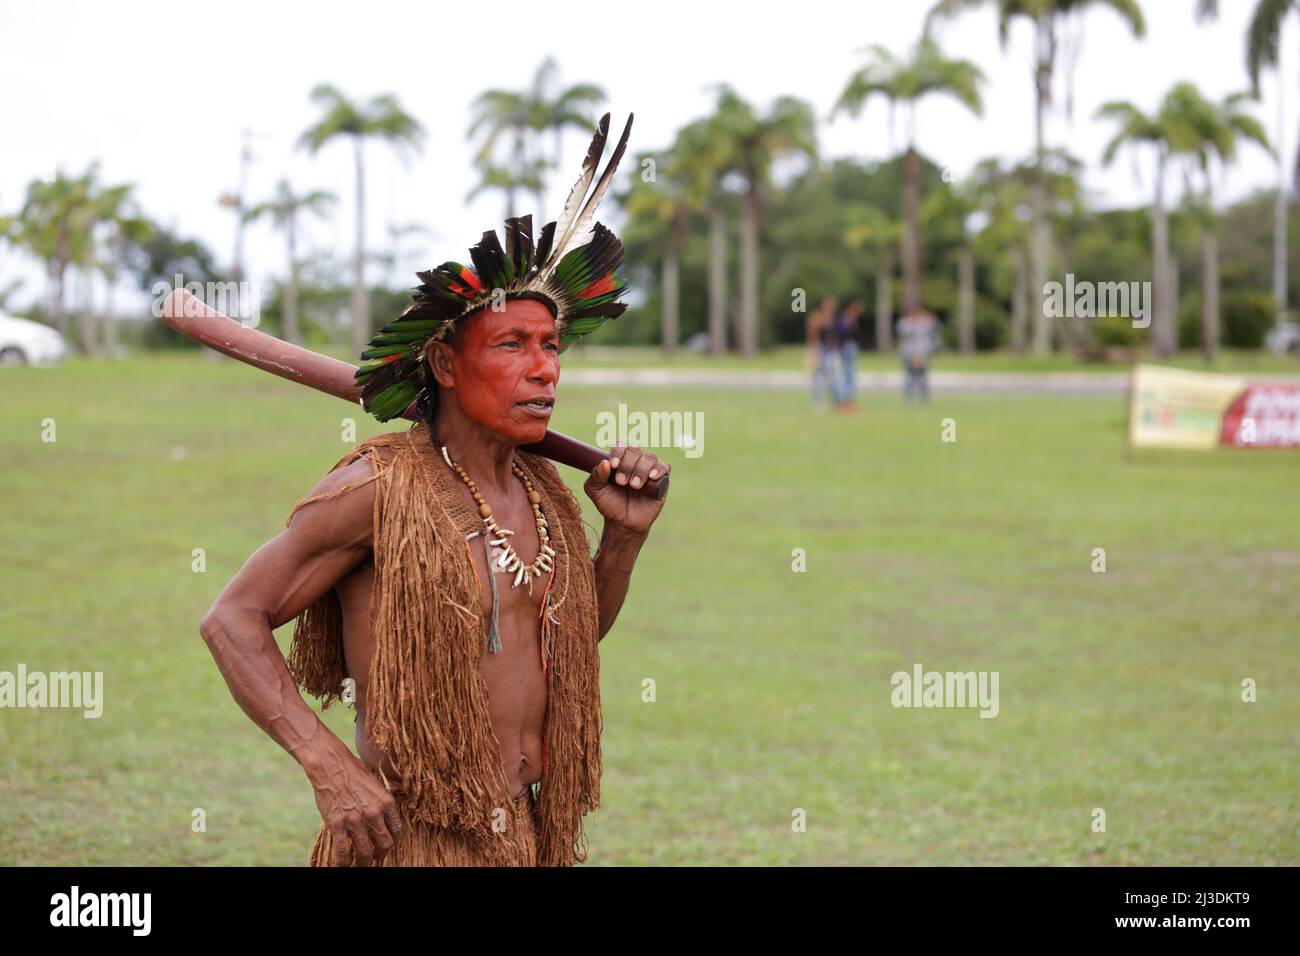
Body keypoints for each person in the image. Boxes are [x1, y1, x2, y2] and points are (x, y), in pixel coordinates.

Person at [198, 114, 671, 867]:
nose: (545, 368)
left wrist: (623, 537)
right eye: (512, 345)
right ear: (447, 367)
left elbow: (566, 639)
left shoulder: (544, 491)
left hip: (528, 832)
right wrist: (330, 770)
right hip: (411, 842)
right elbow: (232, 619)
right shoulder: (378, 491)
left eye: (550, 346)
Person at [895, 305, 942, 404]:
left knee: (923, 378)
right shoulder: (905, 323)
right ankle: (909, 400)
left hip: (923, 354)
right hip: (909, 354)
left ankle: (925, 400)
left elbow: (935, 332)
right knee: (910, 378)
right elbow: (904, 334)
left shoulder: (926, 322)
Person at [807, 296, 842, 412]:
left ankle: (837, 402)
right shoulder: (816, 318)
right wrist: (814, 351)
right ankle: (818, 403)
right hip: (820, 349)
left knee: (834, 377)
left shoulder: (833, 319)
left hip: (831, 350)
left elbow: (834, 336)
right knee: (818, 378)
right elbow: (813, 335)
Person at [834, 299, 864, 412]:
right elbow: (842, 335)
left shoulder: (849, 320)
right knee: (847, 376)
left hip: (850, 348)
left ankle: (848, 402)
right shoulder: (845, 320)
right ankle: (844, 402)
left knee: (850, 376)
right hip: (846, 349)